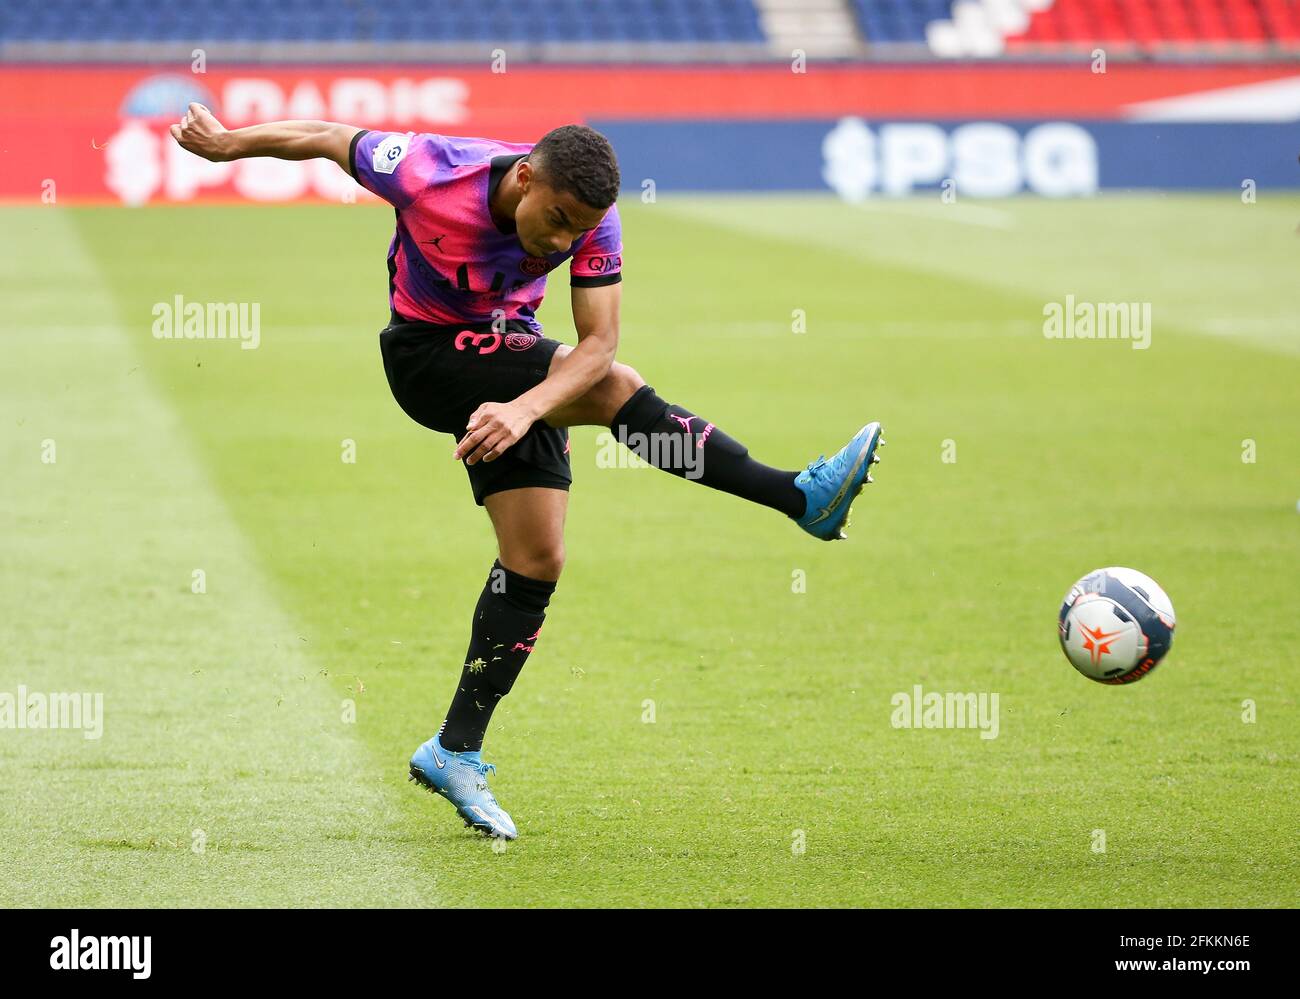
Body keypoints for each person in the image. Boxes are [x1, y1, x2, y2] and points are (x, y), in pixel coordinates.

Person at [170, 104, 884, 839]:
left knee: (536, 556)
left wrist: (527, 406)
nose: (565, 240)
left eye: (580, 229)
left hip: (518, 361)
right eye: (558, 220)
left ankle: (454, 749)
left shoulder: (594, 218)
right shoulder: (426, 169)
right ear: (524, 177)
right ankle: (797, 494)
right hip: (426, 355)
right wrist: (229, 144)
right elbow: (325, 137)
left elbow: (597, 342)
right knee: (613, 395)